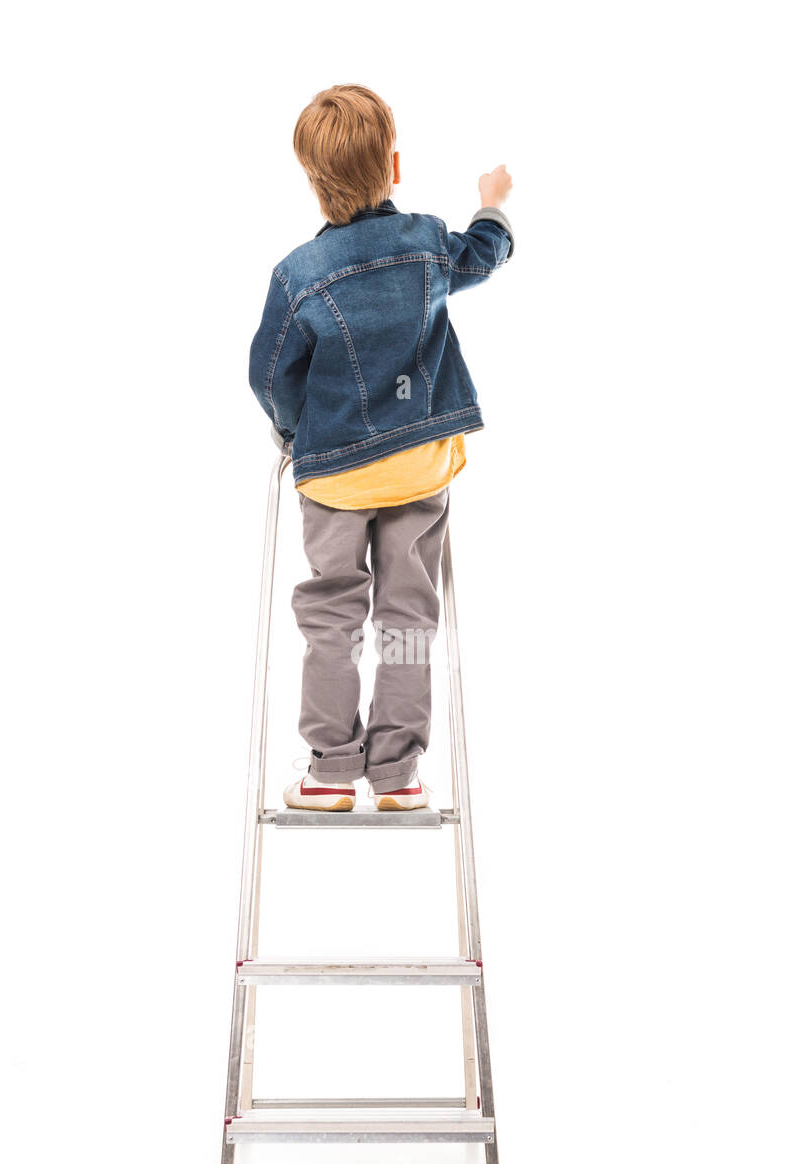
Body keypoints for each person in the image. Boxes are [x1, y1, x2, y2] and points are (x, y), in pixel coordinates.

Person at [249, 84, 513, 812]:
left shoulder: (298, 275)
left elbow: (268, 372)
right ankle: (397, 772)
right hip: (418, 464)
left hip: (335, 475)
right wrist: (490, 204)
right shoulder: (427, 242)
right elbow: (484, 256)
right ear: (393, 166)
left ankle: (330, 768)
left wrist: (292, 429)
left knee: (332, 612)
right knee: (405, 614)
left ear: (310, 179)